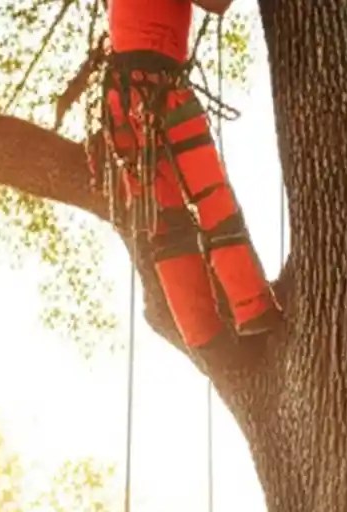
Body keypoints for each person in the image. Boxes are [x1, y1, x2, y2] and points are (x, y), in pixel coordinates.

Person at [101, 0, 281, 350]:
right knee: (210, 195)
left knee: (166, 218)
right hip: (157, 88)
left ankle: (202, 333)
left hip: (124, 98)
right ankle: (252, 307)